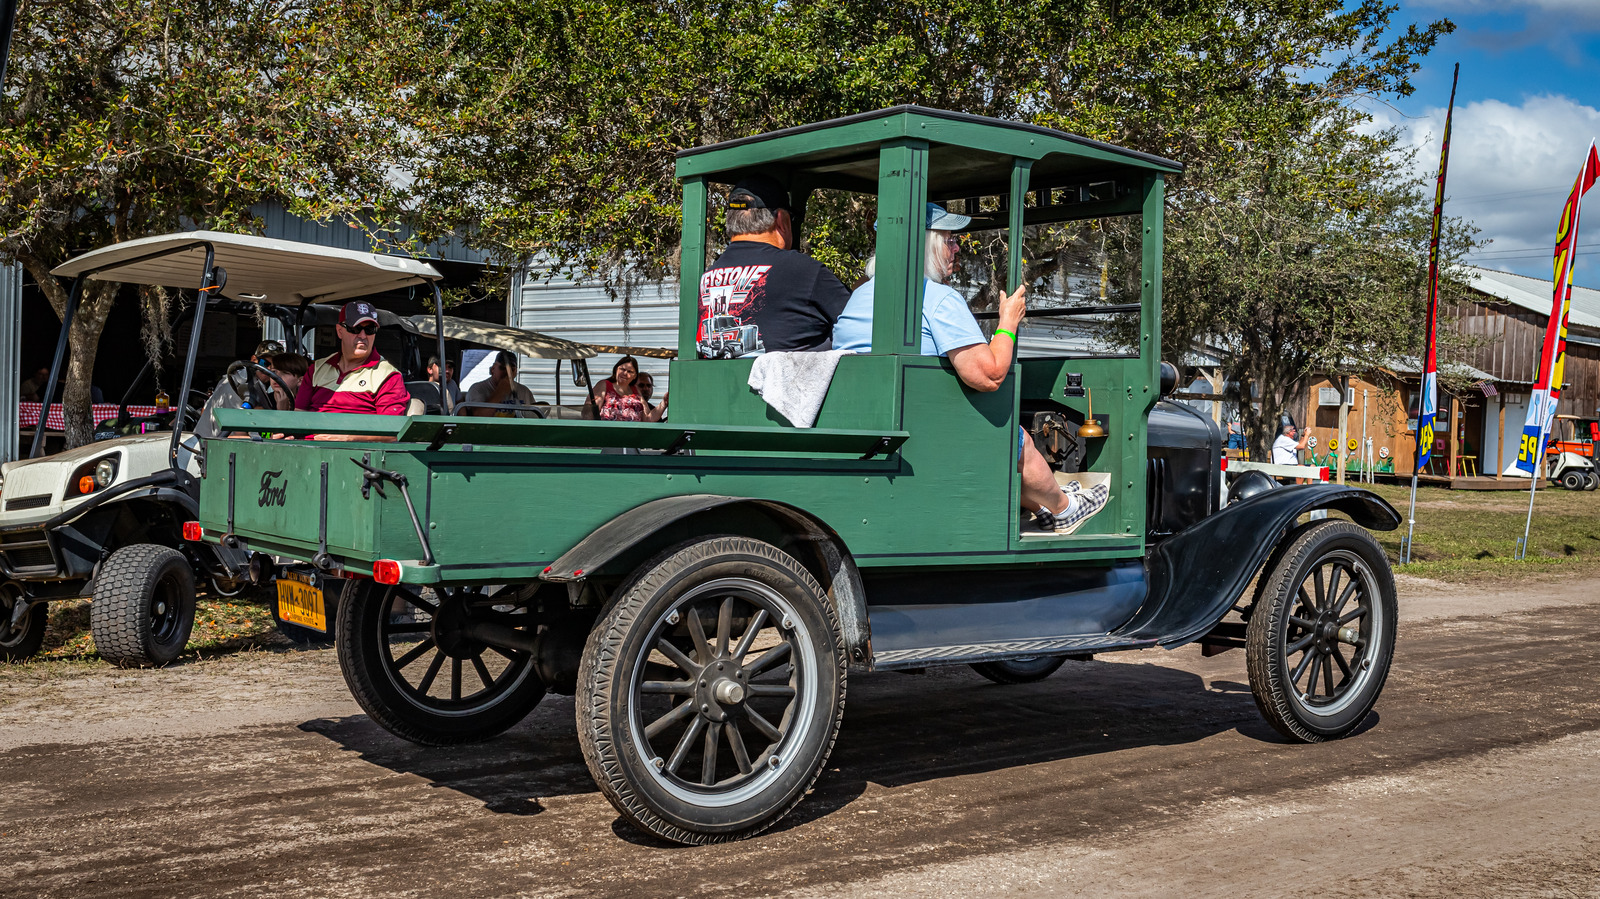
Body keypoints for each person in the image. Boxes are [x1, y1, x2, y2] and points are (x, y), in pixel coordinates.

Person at [832, 203, 1109, 534]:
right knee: (1013, 438)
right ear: (928, 245)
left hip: (879, 429)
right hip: (926, 434)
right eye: (949, 239)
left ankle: (1042, 505)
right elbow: (988, 376)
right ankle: (1066, 509)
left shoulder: (860, 296)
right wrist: (1008, 321)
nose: (957, 247)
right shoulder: (935, 298)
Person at [695, 174, 852, 358]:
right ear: (781, 220)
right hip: (789, 385)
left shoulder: (707, 276)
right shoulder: (803, 270)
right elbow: (860, 326)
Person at [294, 301, 409, 438]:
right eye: (355, 329)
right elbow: (298, 419)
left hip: (355, 454)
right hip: (308, 448)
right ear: (339, 331)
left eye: (369, 329)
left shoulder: (388, 376)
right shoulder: (317, 369)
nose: (362, 336)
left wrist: (347, 438)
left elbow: (391, 432)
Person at [583, 355, 664, 422]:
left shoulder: (636, 391)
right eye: (622, 369)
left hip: (632, 436)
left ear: (635, 376)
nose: (625, 373)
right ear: (616, 370)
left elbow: (648, 419)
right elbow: (589, 411)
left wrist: (664, 403)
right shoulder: (604, 385)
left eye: (630, 372)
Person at [464, 351, 537, 417]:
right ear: (493, 369)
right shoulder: (477, 389)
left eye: (512, 369)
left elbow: (534, 417)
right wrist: (500, 392)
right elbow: (478, 416)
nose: (508, 373)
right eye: (502, 368)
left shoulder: (524, 391)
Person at [1272, 416, 1311, 482]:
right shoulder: (1283, 439)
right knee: (1301, 469)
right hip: (1281, 467)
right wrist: (1307, 435)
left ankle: (1310, 489)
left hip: (1290, 466)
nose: (1295, 433)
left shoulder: (1288, 440)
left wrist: (1303, 435)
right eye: (1293, 431)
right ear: (1289, 432)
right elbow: (1302, 446)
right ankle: (1299, 490)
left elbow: (1298, 445)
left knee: (1312, 467)